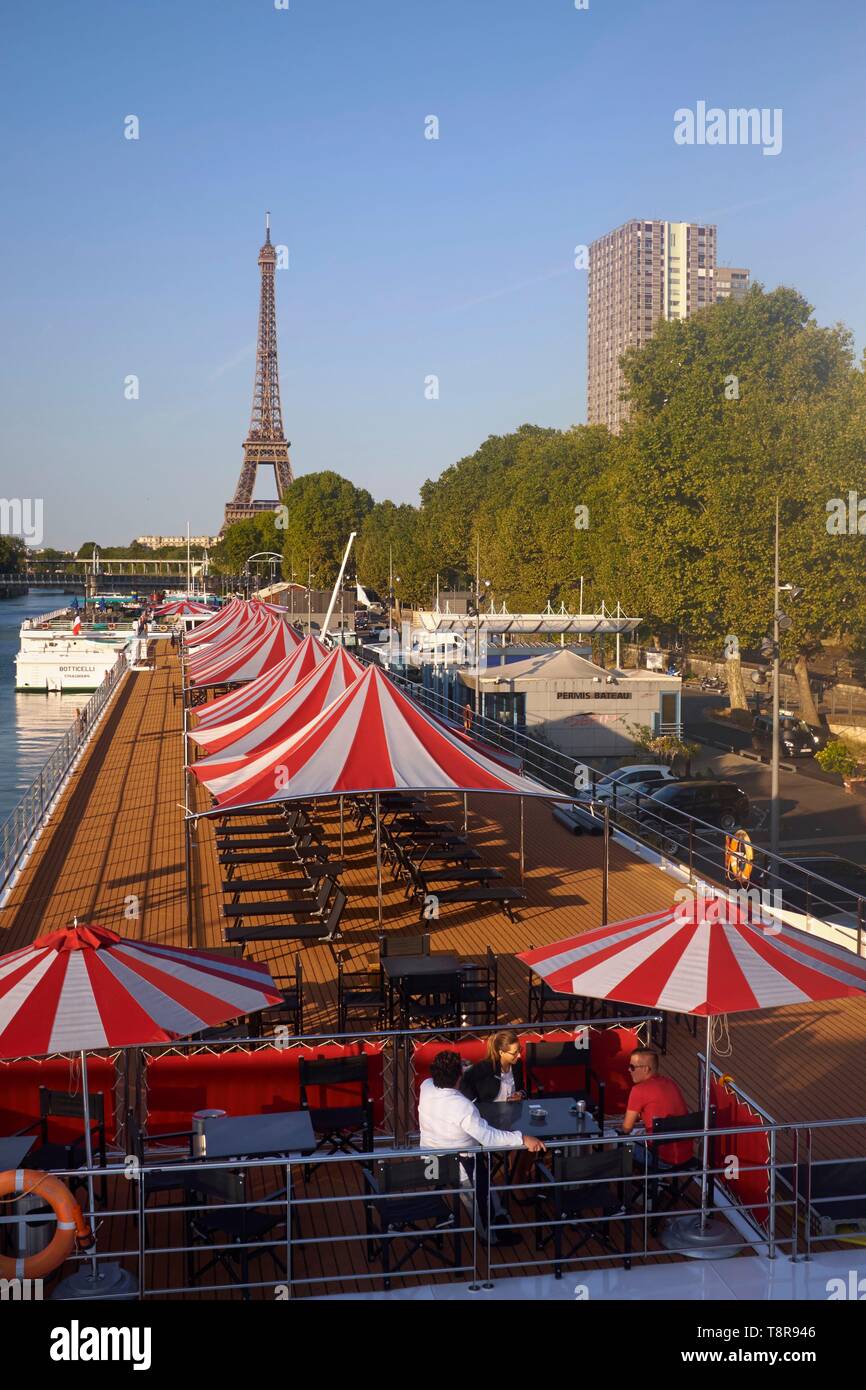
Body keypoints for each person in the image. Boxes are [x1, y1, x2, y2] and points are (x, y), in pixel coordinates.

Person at [419, 1050, 544, 1239]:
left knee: (481, 1165)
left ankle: (499, 1211)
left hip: (430, 1162)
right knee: (479, 1170)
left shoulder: (426, 1086)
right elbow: (489, 1138)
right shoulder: (463, 1107)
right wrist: (522, 1139)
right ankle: (490, 1236)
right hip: (457, 1166)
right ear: (459, 1076)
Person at [620, 1048, 692, 1167]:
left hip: (659, 1159)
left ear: (646, 1069)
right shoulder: (670, 1083)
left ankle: (631, 1183)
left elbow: (626, 1129)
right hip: (685, 1155)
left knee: (614, 1141)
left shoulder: (638, 1090)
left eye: (632, 1067)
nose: (629, 1070)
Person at [460, 1030, 525, 1105]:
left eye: (519, 1050)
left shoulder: (517, 1064)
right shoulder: (484, 1067)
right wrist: (475, 1103)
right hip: (490, 1112)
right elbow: (464, 1080)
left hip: (513, 1110)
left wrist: (520, 1094)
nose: (519, 1055)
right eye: (514, 1053)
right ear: (501, 1053)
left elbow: (521, 1088)